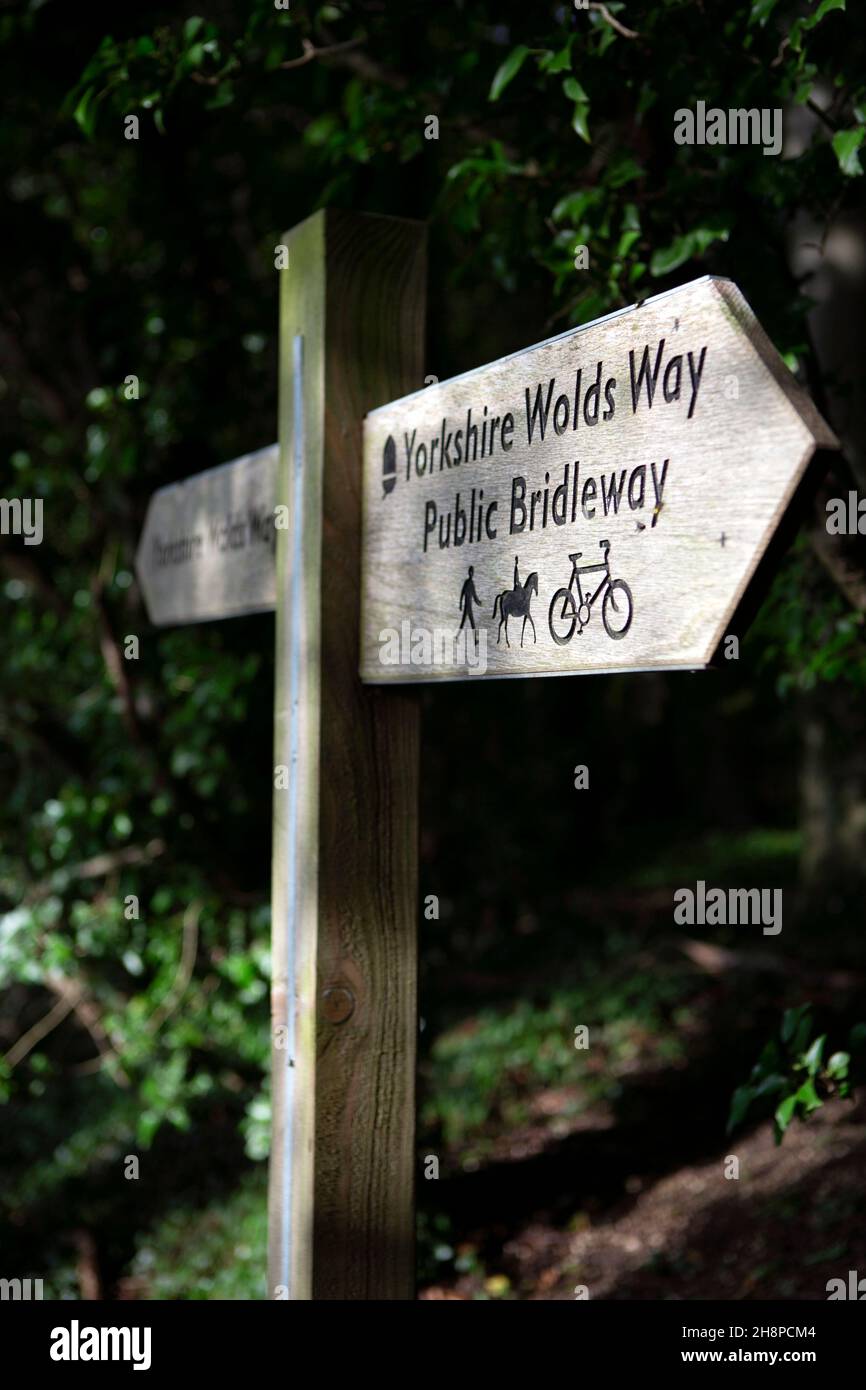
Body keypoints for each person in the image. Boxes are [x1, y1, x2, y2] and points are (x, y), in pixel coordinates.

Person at [458, 564, 482, 633]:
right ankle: (475, 639)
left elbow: (463, 594)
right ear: (470, 573)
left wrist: (460, 604)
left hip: (467, 605)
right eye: (471, 572)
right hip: (468, 606)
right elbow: (474, 596)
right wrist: (479, 603)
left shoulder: (467, 582)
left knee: (465, 622)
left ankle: (457, 637)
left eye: (472, 572)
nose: (472, 573)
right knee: (471, 623)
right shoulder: (471, 583)